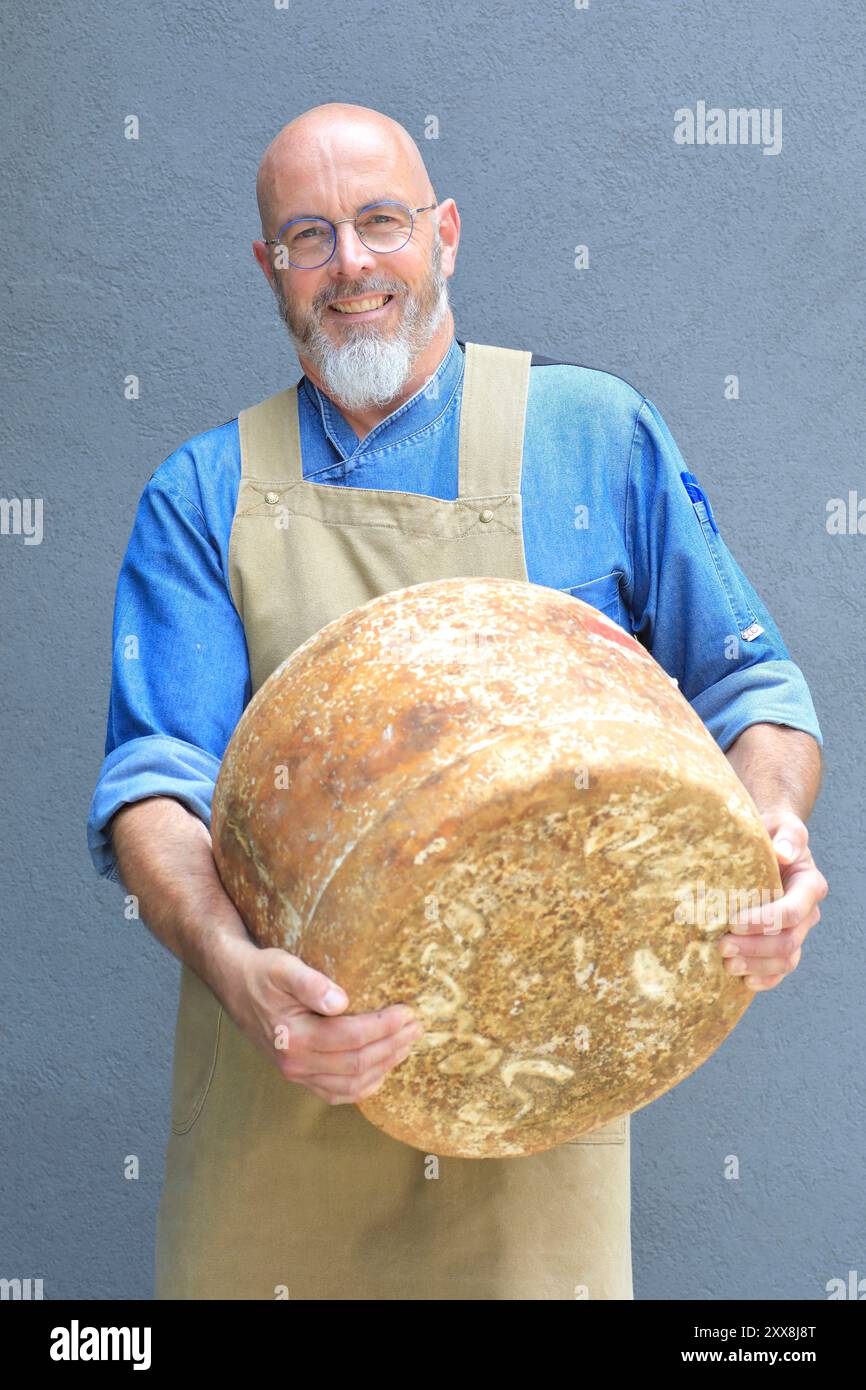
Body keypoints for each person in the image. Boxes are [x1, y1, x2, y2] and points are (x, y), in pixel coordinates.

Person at [87, 102, 828, 1300]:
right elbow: (156, 785)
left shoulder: (593, 435)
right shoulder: (201, 492)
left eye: (380, 223)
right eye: (309, 236)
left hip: (537, 1109)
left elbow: (750, 685)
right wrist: (234, 968)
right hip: (281, 1101)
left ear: (444, 233)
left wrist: (767, 831)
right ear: (268, 265)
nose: (352, 265)